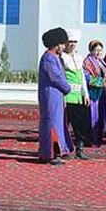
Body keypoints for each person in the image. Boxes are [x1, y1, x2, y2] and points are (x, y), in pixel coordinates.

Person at [38, 27, 73, 164]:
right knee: (51, 123)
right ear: (56, 44)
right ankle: (49, 154)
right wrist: (67, 88)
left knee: (58, 123)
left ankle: (59, 150)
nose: (64, 47)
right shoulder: (48, 58)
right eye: (62, 44)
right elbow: (56, 77)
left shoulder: (54, 57)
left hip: (56, 95)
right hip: (50, 96)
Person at [60, 31, 93, 159]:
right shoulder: (62, 57)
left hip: (79, 95)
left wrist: (86, 94)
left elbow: (82, 77)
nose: (72, 44)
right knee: (65, 124)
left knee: (80, 124)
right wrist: (63, 95)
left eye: (75, 42)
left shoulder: (79, 57)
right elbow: (62, 77)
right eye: (70, 42)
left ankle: (80, 149)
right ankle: (63, 149)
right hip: (68, 94)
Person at [83, 40, 106, 147]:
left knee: (101, 114)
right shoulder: (87, 62)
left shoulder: (101, 62)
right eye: (96, 50)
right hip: (93, 93)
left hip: (102, 92)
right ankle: (91, 139)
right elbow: (86, 77)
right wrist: (101, 82)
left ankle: (99, 137)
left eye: (100, 50)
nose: (98, 53)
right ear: (91, 50)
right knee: (93, 115)